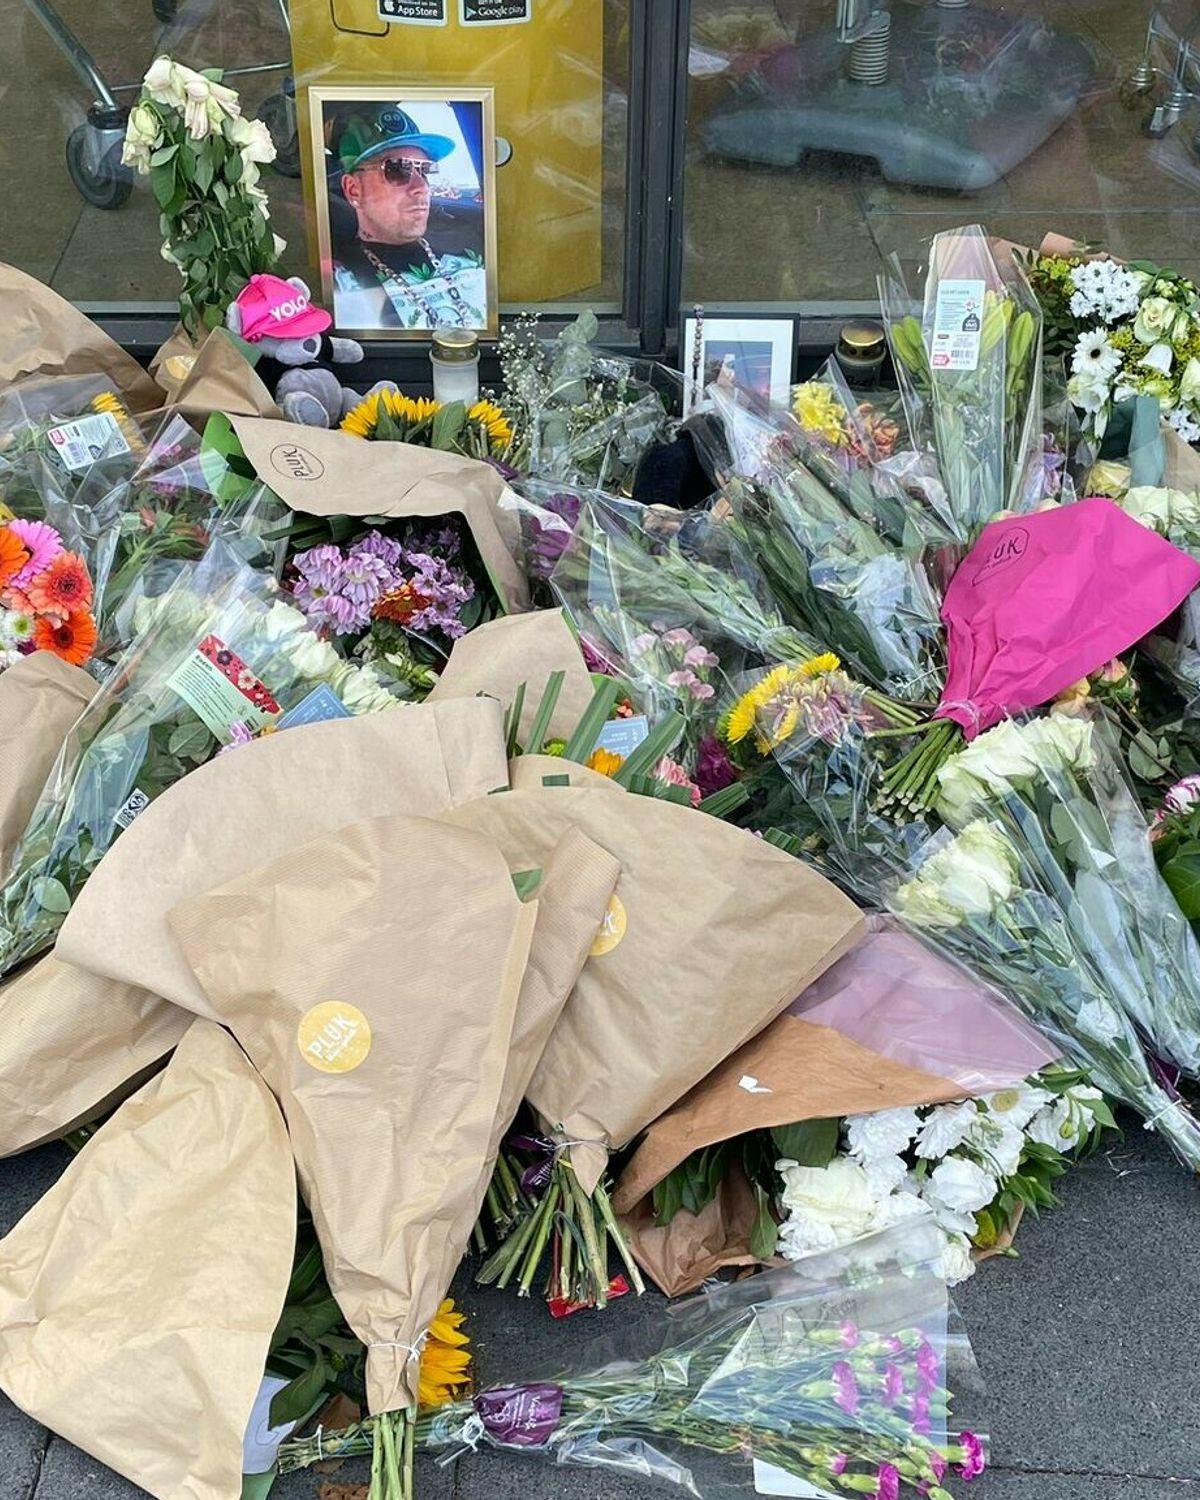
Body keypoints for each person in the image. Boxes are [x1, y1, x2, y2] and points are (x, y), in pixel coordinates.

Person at [330, 105, 489, 334]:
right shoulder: (340, 283)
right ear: (353, 189)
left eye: (425, 170)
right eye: (397, 170)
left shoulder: (473, 241)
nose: (421, 187)